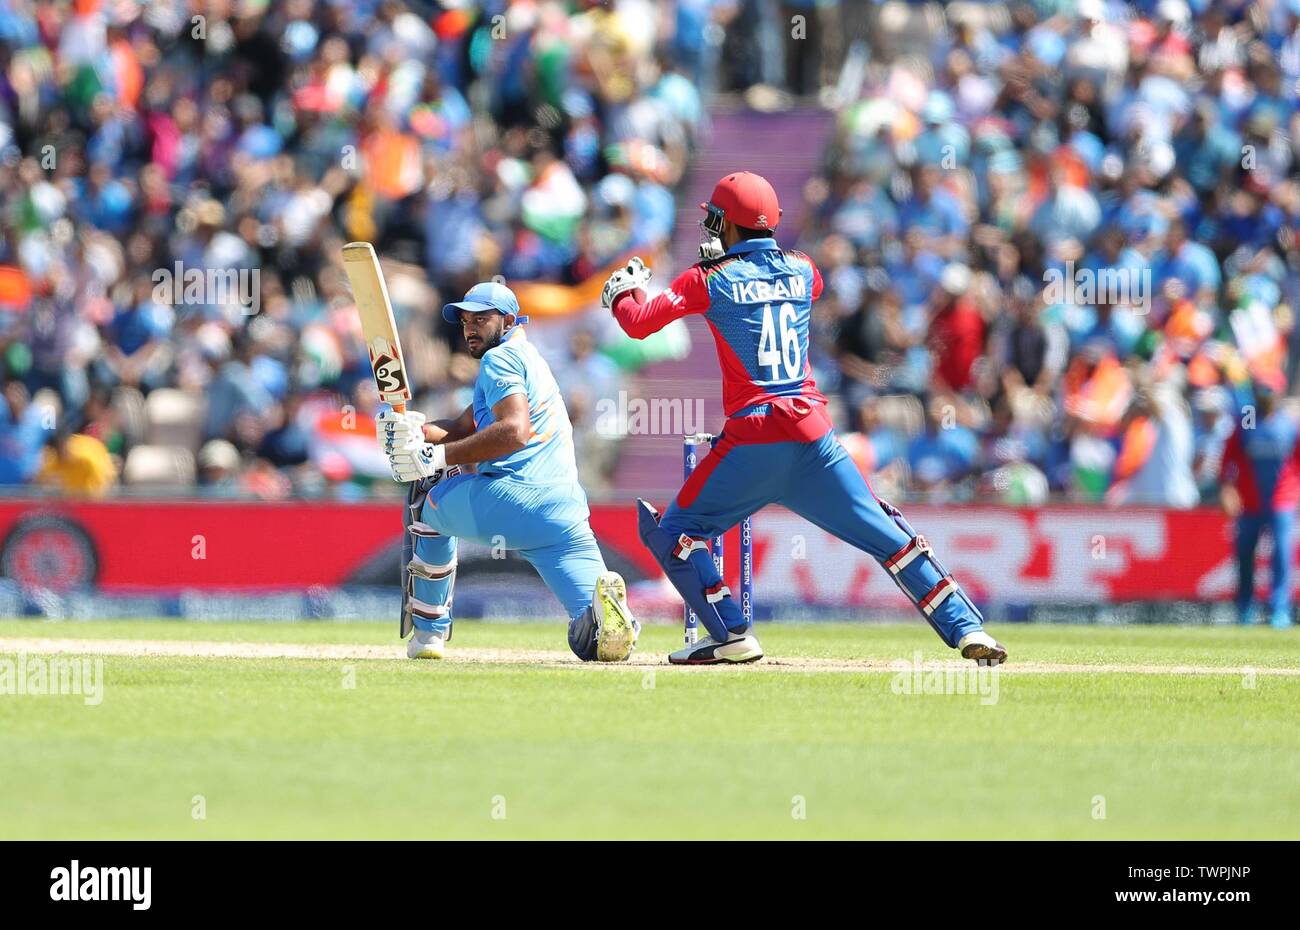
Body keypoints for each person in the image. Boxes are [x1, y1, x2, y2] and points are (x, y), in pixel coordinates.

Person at [602, 171, 1007, 665]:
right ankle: (968, 629)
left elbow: (639, 324)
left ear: (727, 225)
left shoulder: (708, 279)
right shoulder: (803, 269)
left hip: (753, 439)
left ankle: (730, 635)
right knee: (890, 537)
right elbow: (784, 281)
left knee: (673, 535)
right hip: (814, 436)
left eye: (717, 223)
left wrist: (624, 291)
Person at [375, 282, 639, 661]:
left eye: (481, 319)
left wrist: (435, 458)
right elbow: (466, 425)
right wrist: (412, 433)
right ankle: (606, 622)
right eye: (466, 319)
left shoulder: (499, 360)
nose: (469, 328)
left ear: (510, 320)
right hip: (564, 513)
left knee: (429, 488)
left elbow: (514, 432)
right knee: (594, 636)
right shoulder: (531, 360)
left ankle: (429, 635)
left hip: (514, 499)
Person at [1218, 385, 1299, 629]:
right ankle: (1245, 608)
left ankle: (1279, 609)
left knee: (1282, 554)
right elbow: (1228, 458)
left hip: (1281, 501)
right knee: (1244, 554)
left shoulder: (1289, 424)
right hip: (1250, 503)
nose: (1265, 403)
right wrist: (1227, 488)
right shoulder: (1248, 421)